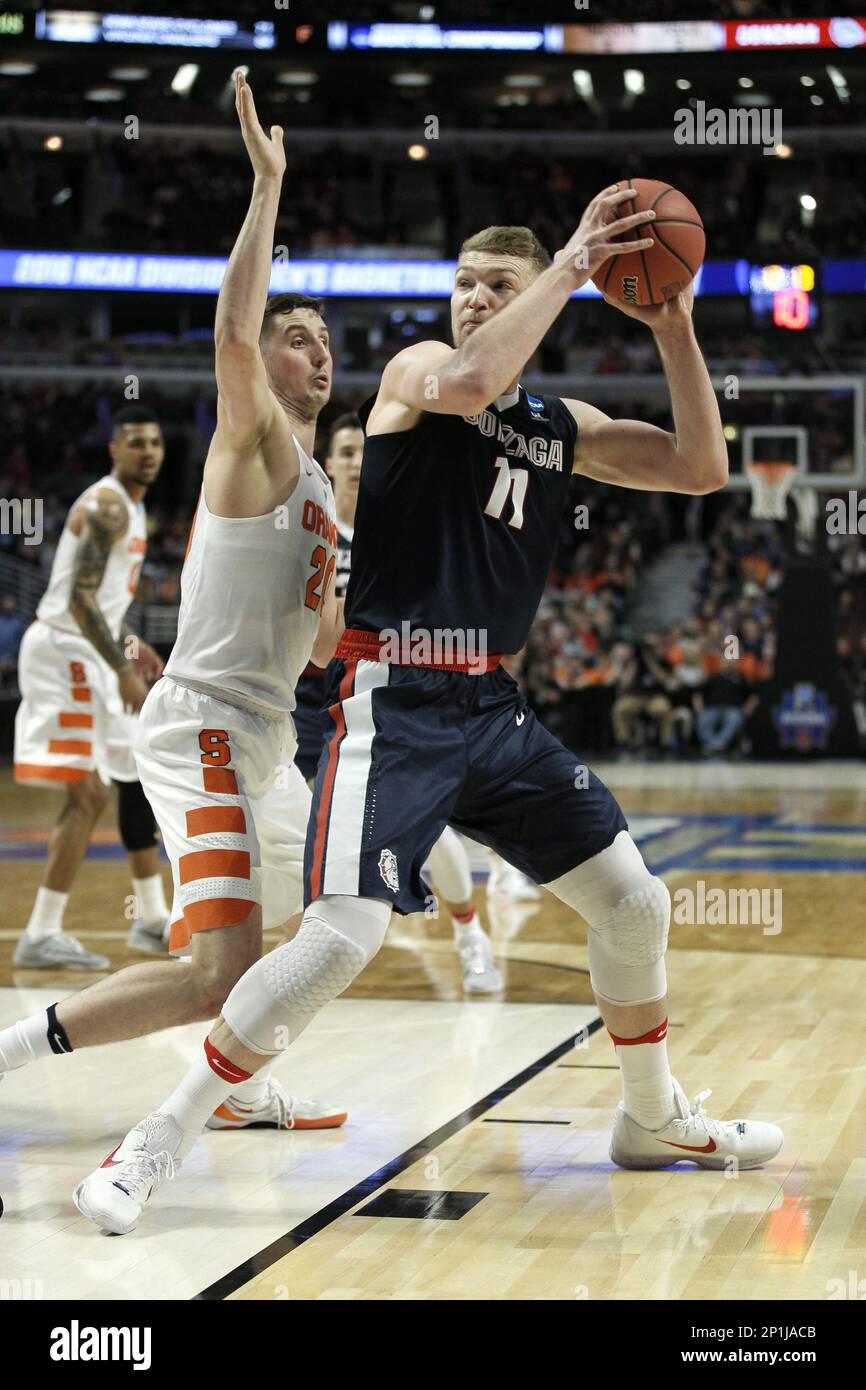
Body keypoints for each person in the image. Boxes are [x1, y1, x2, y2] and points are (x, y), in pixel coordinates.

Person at [74, 188, 783, 1235]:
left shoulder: (560, 426)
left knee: (636, 906)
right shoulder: (417, 373)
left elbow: (700, 465)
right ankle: (154, 1142)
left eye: (494, 285)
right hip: (391, 700)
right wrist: (571, 266)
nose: (471, 300)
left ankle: (647, 1116)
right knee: (335, 939)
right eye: (463, 285)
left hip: (492, 707)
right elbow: (470, 377)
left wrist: (673, 325)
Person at [0, 72, 346, 1139]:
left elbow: (327, 643)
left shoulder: (326, 489)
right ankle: (11, 1049)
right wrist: (264, 188)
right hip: (205, 730)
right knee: (213, 976)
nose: (317, 353)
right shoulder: (255, 440)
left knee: (334, 921)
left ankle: (235, 1086)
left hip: (261, 734)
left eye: (329, 344)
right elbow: (232, 338)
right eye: (301, 336)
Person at [293, 412, 502, 992]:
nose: (356, 461)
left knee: (431, 833)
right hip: (301, 699)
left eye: (364, 450)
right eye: (344, 451)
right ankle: (229, 946)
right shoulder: (305, 528)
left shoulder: (401, 526)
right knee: (284, 829)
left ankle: (469, 934)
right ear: (327, 463)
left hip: (380, 696)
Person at [12, 405, 171, 969]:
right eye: (135, 442)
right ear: (114, 450)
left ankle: (151, 920)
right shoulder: (107, 505)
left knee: (134, 773)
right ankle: (41, 934)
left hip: (91, 651)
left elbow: (100, 601)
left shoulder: (132, 506)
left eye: (154, 443)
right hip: (63, 653)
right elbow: (78, 602)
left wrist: (131, 645)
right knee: (89, 794)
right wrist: (123, 667)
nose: (147, 452)